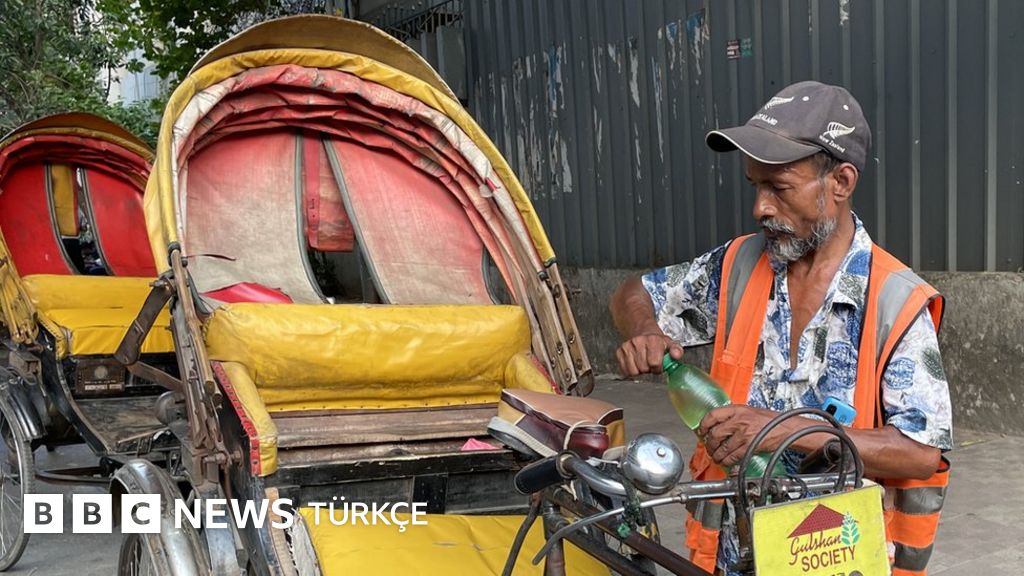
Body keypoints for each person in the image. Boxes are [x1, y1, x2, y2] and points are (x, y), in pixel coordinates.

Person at [609, 81, 951, 576]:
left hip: (839, 556)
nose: (760, 208)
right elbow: (633, 293)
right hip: (734, 555)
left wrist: (782, 431)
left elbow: (921, 453)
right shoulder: (739, 264)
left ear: (841, 182)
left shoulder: (895, 300)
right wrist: (646, 330)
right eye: (756, 186)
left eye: (780, 188)